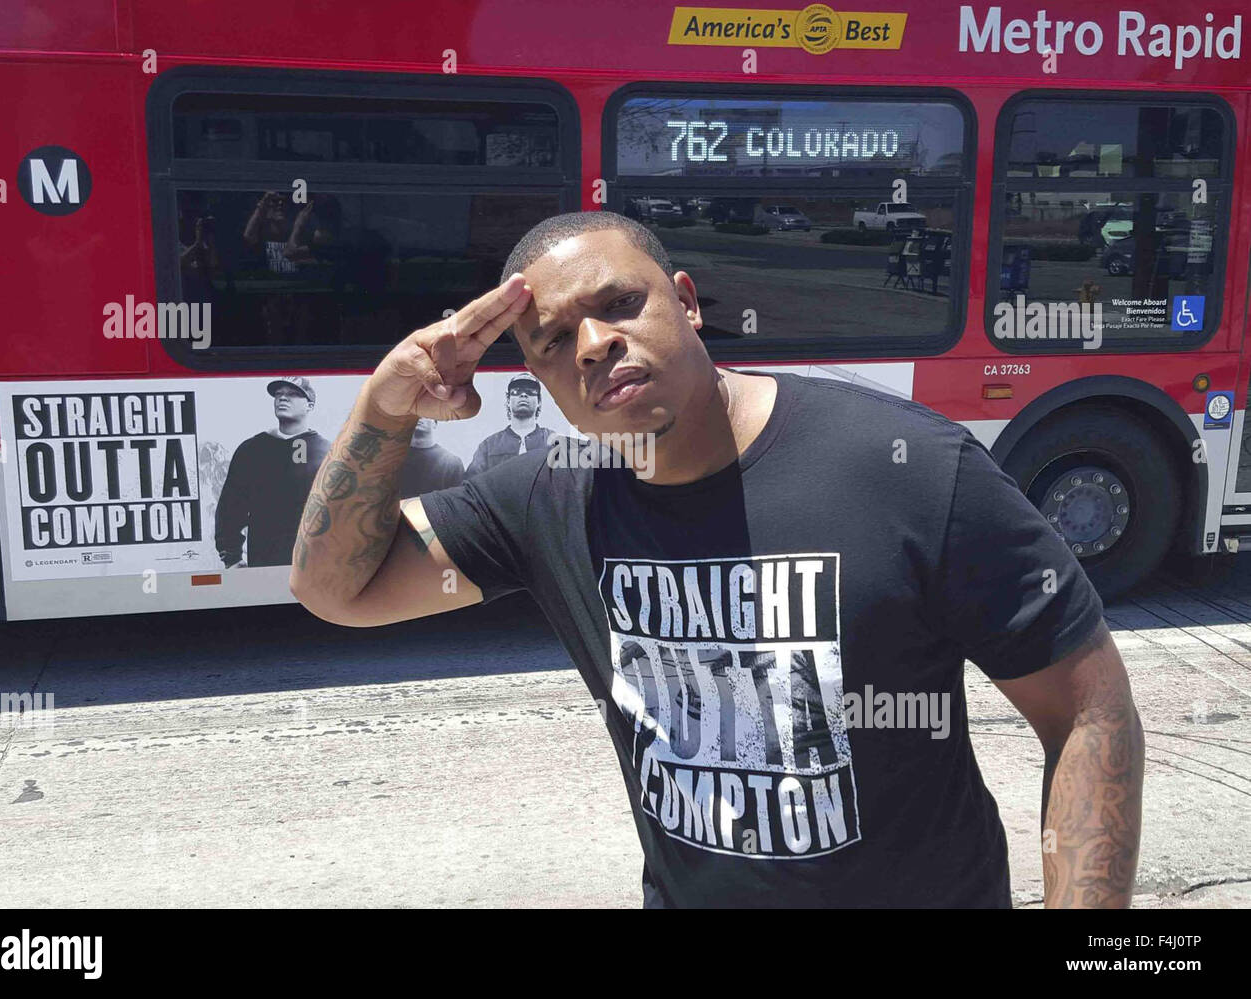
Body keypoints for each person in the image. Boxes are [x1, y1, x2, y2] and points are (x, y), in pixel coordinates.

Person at [290, 211, 1144, 909]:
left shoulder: (906, 465)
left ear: (688, 303)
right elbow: (335, 588)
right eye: (552, 342)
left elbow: (1088, 711)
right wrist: (386, 404)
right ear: (543, 380)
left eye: (620, 302)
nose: (591, 343)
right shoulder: (549, 499)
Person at [216, 377, 331, 568]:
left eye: (292, 394)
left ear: (309, 406)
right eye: (279, 394)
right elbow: (230, 508)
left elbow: (341, 512)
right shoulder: (252, 449)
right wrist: (232, 557)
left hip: (317, 567)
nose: (283, 398)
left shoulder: (327, 452)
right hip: (265, 566)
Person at [464, 373, 559, 478]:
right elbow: (470, 486)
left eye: (530, 391)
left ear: (539, 401)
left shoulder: (554, 441)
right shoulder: (489, 446)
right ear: (508, 400)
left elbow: (567, 483)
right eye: (516, 391)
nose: (523, 395)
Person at [398, 417, 464, 496]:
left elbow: (456, 501)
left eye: (425, 414)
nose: (419, 417)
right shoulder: (393, 459)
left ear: (435, 424)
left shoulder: (452, 463)